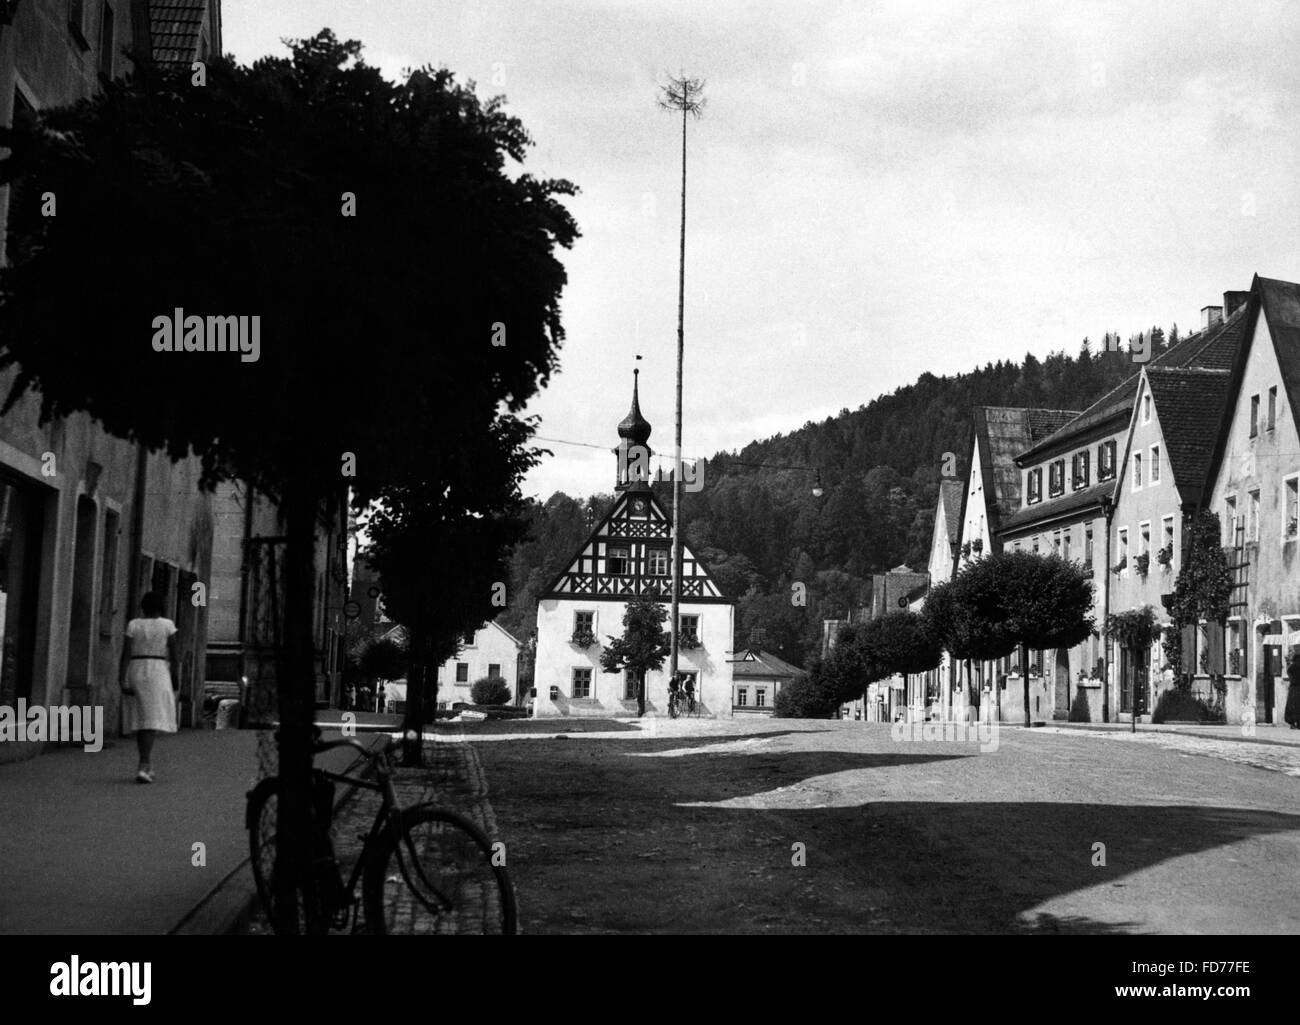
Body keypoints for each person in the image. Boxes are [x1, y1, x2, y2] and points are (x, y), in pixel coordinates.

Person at [118, 592, 180, 783]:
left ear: (143, 607)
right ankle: (144, 765)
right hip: (158, 670)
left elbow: (126, 653)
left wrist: (122, 678)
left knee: (142, 718)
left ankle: (145, 763)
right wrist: (175, 675)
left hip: (137, 668)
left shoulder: (133, 625)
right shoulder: (167, 625)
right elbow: (175, 654)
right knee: (151, 721)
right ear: (160, 607)